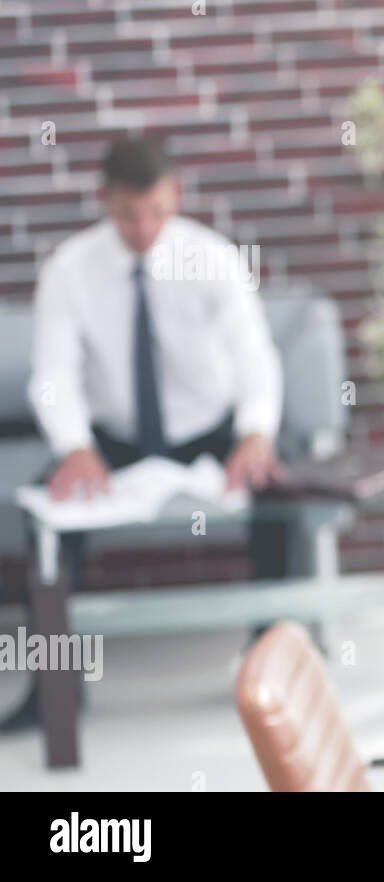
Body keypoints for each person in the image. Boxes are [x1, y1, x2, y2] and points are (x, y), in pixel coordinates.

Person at [1, 137, 297, 733]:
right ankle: (56, 689)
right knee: (47, 517)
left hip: (208, 428)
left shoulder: (211, 257)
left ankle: (275, 671)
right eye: (130, 214)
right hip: (115, 438)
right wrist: (75, 449)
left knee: (280, 497)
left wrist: (256, 433)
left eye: (158, 212)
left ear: (176, 196)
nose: (144, 228)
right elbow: (53, 374)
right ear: (105, 200)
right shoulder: (70, 269)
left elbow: (253, 355)